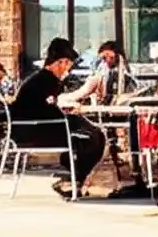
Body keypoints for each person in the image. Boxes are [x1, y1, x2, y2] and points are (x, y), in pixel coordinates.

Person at [12, 38, 107, 200]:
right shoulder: (48, 81)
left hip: (26, 130)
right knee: (95, 136)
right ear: (60, 62)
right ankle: (73, 177)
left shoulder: (37, 79)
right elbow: (44, 111)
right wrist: (67, 114)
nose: (68, 70)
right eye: (68, 64)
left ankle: (72, 178)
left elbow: (41, 108)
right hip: (37, 131)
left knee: (88, 134)